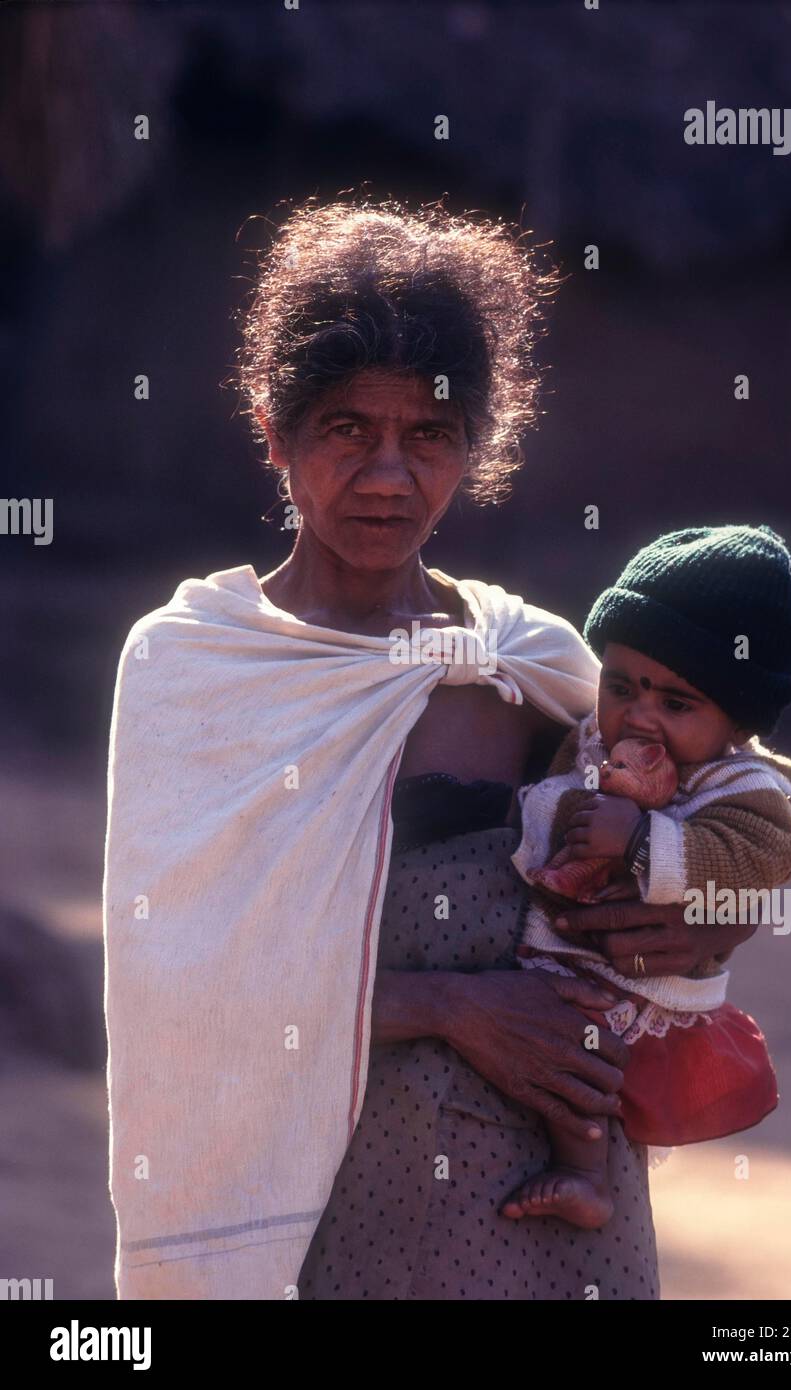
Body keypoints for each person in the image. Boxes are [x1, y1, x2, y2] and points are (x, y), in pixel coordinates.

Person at [103, 196, 757, 1301]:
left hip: (553, 1214)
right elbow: (178, 991)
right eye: (347, 429)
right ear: (273, 430)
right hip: (329, 1208)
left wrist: (691, 909)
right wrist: (452, 1007)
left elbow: (717, 837)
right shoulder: (196, 667)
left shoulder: (528, 664)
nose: (388, 475)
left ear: (476, 448)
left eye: (430, 436)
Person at [504, 524, 791, 1230]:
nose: (637, 716)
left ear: (736, 719)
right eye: (620, 686)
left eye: (675, 704)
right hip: (563, 948)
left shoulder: (753, 786)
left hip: (641, 985)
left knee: (576, 1057)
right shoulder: (589, 740)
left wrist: (645, 839)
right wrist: (559, 819)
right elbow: (543, 796)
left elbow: (758, 855)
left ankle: (583, 1174)